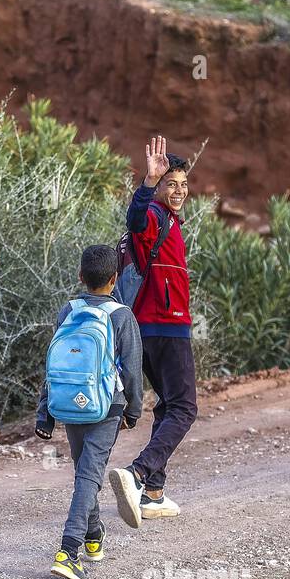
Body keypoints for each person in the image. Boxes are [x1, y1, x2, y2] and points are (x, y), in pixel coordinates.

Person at [36, 245, 144, 579]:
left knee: (86, 472)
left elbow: (55, 364)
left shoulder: (68, 310)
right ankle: (68, 551)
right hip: (105, 406)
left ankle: (94, 534)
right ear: (114, 279)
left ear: (81, 277)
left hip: (69, 403)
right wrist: (135, 410)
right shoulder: (121, 314)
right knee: (88, 476)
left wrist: (46, 413)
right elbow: (132, 370)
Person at [109, 135, 198, 520]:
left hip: (149, 328)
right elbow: (135, 219)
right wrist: (147, 183)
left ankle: (154, 493)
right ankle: (137, 473)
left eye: (182, 184)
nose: (177, 191)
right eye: (170, 184)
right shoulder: (155, 218)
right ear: (159, 186)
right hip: (164, 327)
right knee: (184, 408)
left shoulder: (171, 221)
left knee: (167, 405)